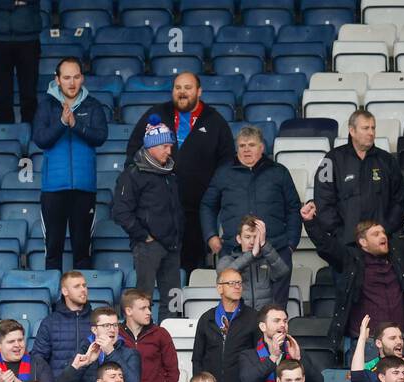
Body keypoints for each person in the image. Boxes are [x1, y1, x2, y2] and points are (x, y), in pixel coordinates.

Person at [301, 198, 404, 358]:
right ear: (363, 242)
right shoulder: (351, 259)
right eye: (376, 234)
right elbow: (327, 245)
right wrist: (310, 222)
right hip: (367, 343)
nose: (383, 236)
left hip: (397, 340)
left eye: (383, 232)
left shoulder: (398, 251)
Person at [124, 72, 235, 272]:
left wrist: (214, 195)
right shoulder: (155, 116)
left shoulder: (215, 121)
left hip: (196, 212)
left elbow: (227, 163)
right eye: (178, 88)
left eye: (188, 88)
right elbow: (134, 153)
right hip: (157, 211)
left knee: (192, 267)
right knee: (155, 269)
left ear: (199, 91)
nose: (182, 92)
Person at [32, 56, 107, 272]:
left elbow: (100, 137)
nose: (71, 83)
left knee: (83, 252)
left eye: (75, 77)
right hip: (53, 189)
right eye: (66, 78)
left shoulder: (93, 105)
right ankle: (53, 302)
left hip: (84, 189)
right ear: (57, 80)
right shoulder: (46, 106)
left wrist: (76, 125)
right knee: (53, 250)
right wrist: (62, 123)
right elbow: (41, 139)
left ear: (82, 78)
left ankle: (82, 303)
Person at [202, 126, 301, 285]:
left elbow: (293, 209)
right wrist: (211, 236)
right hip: (234, 251)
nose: (246, 149)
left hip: (275, 250)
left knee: (276, 307)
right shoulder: (223, 173)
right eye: (242, 146)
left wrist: (291, 244)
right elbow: (207, 205)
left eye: (251, 145)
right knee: (237, 305)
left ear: (262, 147)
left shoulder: (279, 172)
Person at [112, 117, 184, 321]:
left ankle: (170, 338)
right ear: (151, 147)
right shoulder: (132, 174)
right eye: (164, 146)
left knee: (173, 298)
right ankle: (142, 341)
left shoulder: (170, 174)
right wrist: (144, 236)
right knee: (143, 299)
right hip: (147, 246)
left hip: (172, 246)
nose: (169, 151)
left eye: (170, 146)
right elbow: (120, 211)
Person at [312, 110, 404, 247]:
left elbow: (400, 202)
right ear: (352, 130)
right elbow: (322, 201)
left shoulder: (388, 161)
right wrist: (340, 233)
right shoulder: (331, 160)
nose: (371, 133)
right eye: (365, 128)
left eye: (373, 128)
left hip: (381, 243)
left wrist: (385, 230)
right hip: (345, 246)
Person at [30, 272, 93, 382]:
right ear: (65, 291)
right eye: (77, 286)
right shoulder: (50, 322)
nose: (83, 289)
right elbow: (38, 358)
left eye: (84, 285)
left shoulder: (96, 320)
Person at [215, 217, 293, 309]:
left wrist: (264, 244)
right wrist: (251, 255)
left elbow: (282, 272)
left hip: (262, 316)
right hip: (239, 315)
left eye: (256, 237)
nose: (252, 242)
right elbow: (224, 274)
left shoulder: (266, 259)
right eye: (247, 237)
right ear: (239, 239)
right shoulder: (229, 260)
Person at [0, 0, 41, 124]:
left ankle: (31, 133)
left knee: (29, 94)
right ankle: (6, 134)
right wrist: (15, 2)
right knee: (2, 96)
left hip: (28, 38)